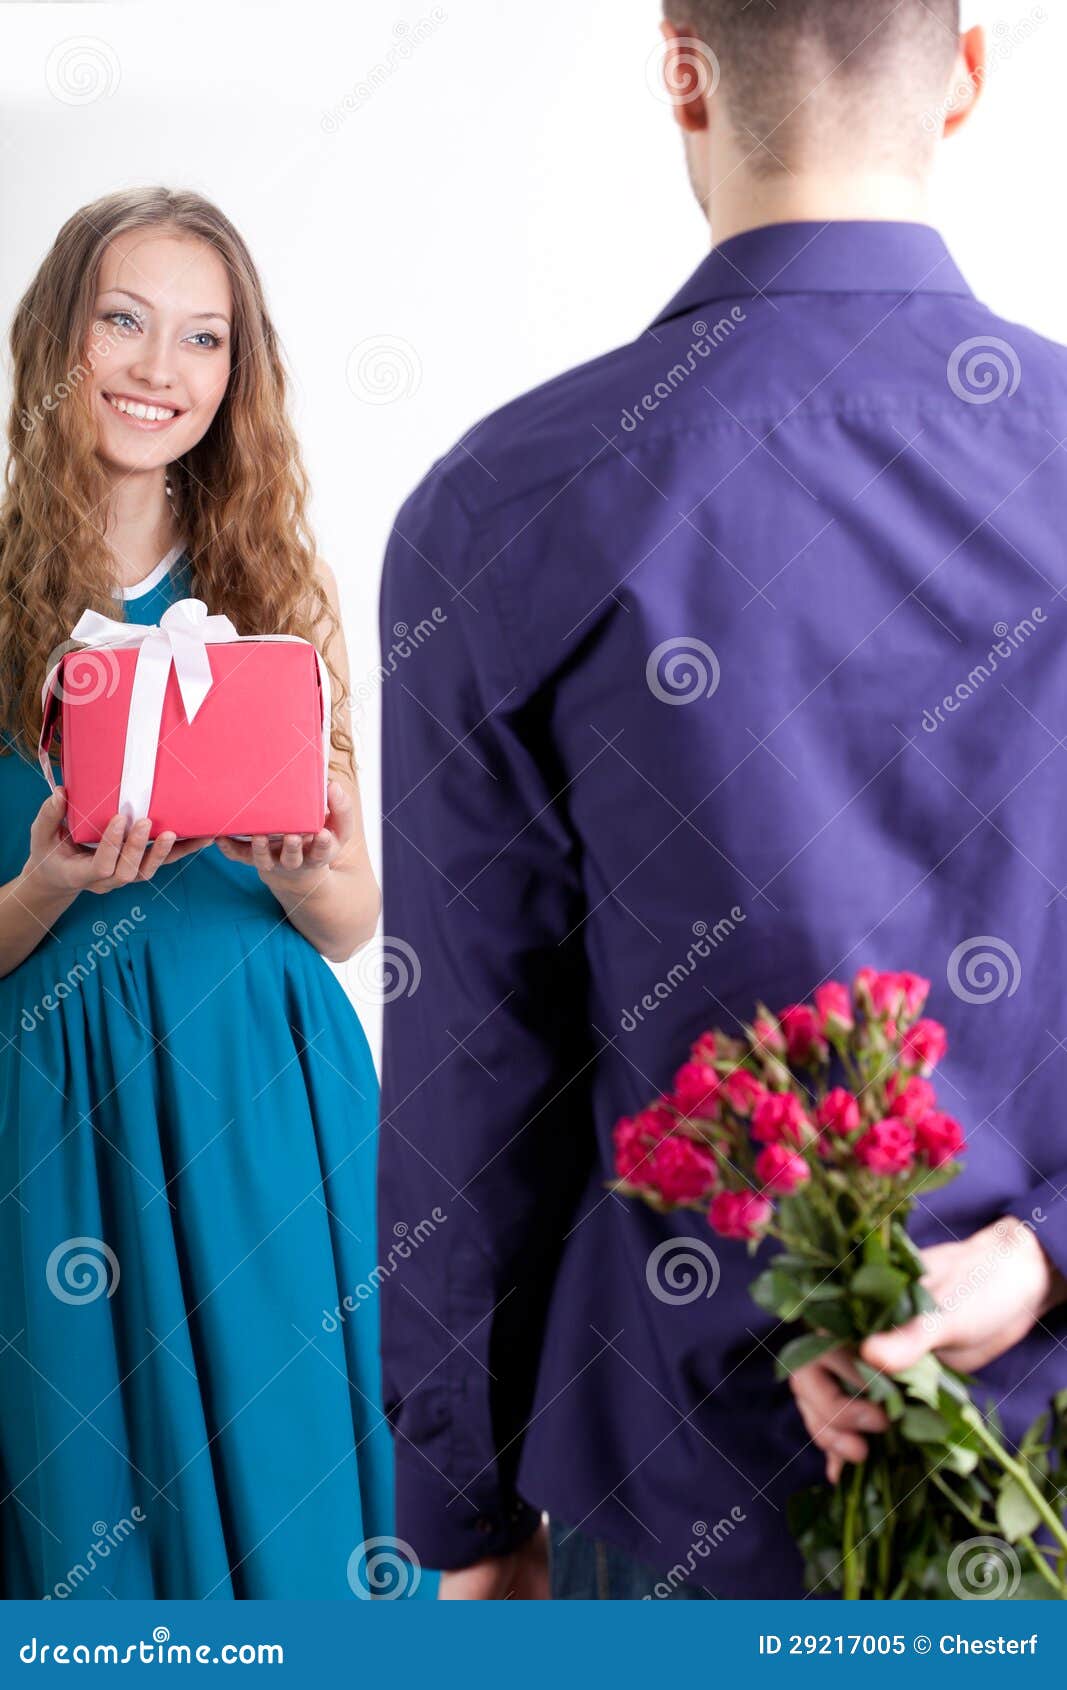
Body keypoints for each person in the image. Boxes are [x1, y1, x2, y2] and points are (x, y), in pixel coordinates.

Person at [377, 1, 1067, 1600]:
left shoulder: (506, 504)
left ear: (681, 67)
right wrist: (1038, 1252)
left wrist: (458, 1516)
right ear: (963, 77)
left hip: (680, 1499)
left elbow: (473, 1067)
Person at [0, 187, 407, 1599]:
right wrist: (46, 884)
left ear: (238, 375)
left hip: (263, 1097)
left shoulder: (271, 589)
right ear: (56, 337)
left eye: (204, 338)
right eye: (123, 319)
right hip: (56, 1127)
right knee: (84, 1521)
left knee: (295, 1507)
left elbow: (351, 927)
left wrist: (324, 866)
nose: (159, 370)